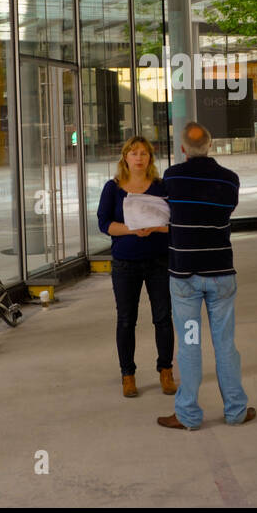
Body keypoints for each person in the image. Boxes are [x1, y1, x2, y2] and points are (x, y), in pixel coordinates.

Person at [157, 122, 254, 430]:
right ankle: (236, 411)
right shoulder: (230, 181)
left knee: (189, 344)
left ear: (183, 148)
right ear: (210, 146)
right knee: (225, 344)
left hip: (185, 277)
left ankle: (187, 414)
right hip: (221, 274)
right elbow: (224, 213)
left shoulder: (172, 177)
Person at [97, 135, 175, 398]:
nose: (139, 158)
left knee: (163, 318)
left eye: (143, 153)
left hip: (159, 261)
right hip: (125, 263)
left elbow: (173, 224)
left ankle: (166, 370)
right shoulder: (113, 188)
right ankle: (127, 374)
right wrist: (133, 230)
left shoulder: (162, 187)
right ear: (125, 158)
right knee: (126, 320)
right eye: (134, 153)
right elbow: (104, 224)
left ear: (150, 158)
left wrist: (155, 228)